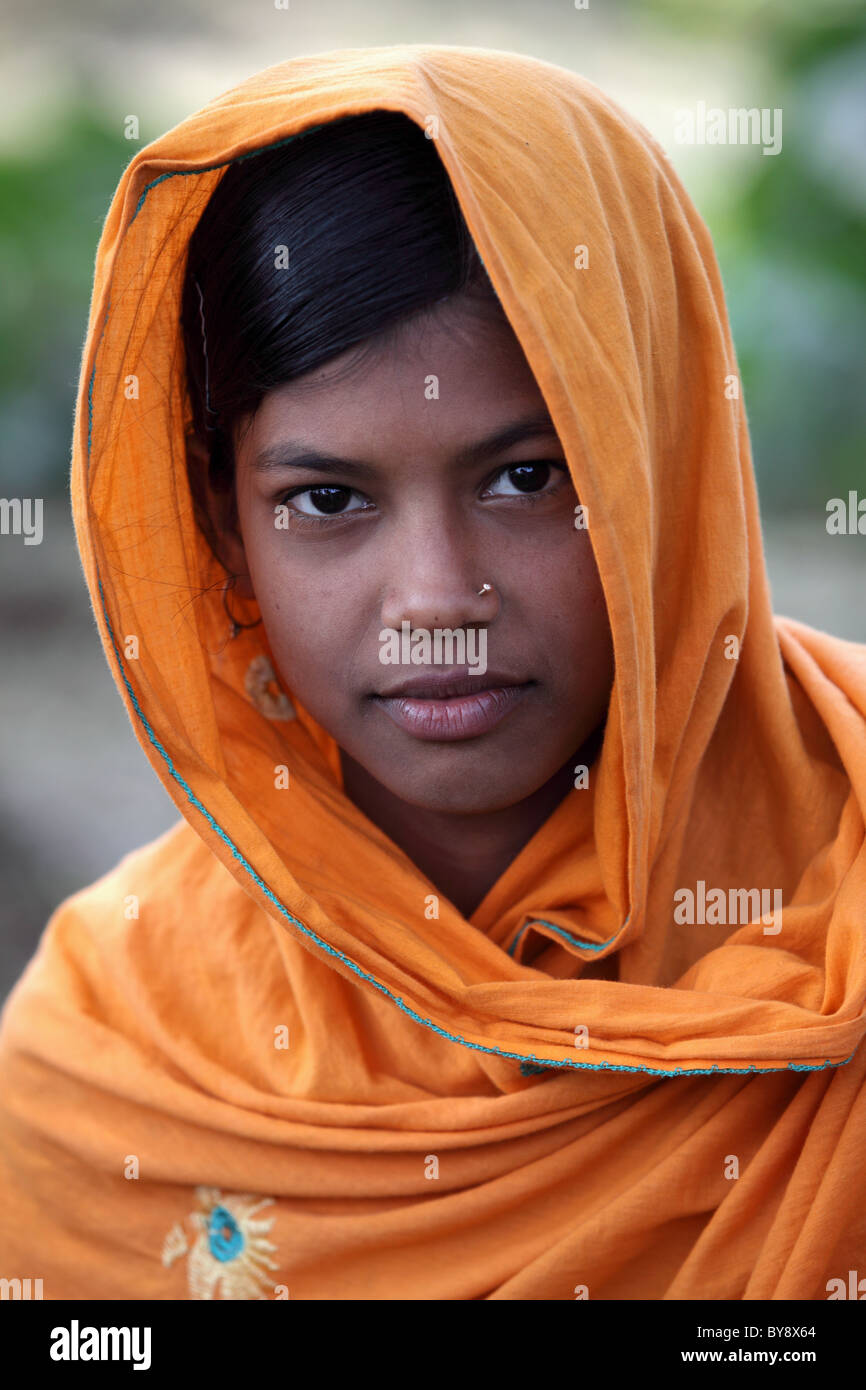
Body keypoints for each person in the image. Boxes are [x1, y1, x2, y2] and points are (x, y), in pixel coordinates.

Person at [0, 43, 864, 1301]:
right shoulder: (119, 1056)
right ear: (220, 525)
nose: (436, 600)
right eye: (329, 498)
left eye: (527, 477)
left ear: (657, 461)